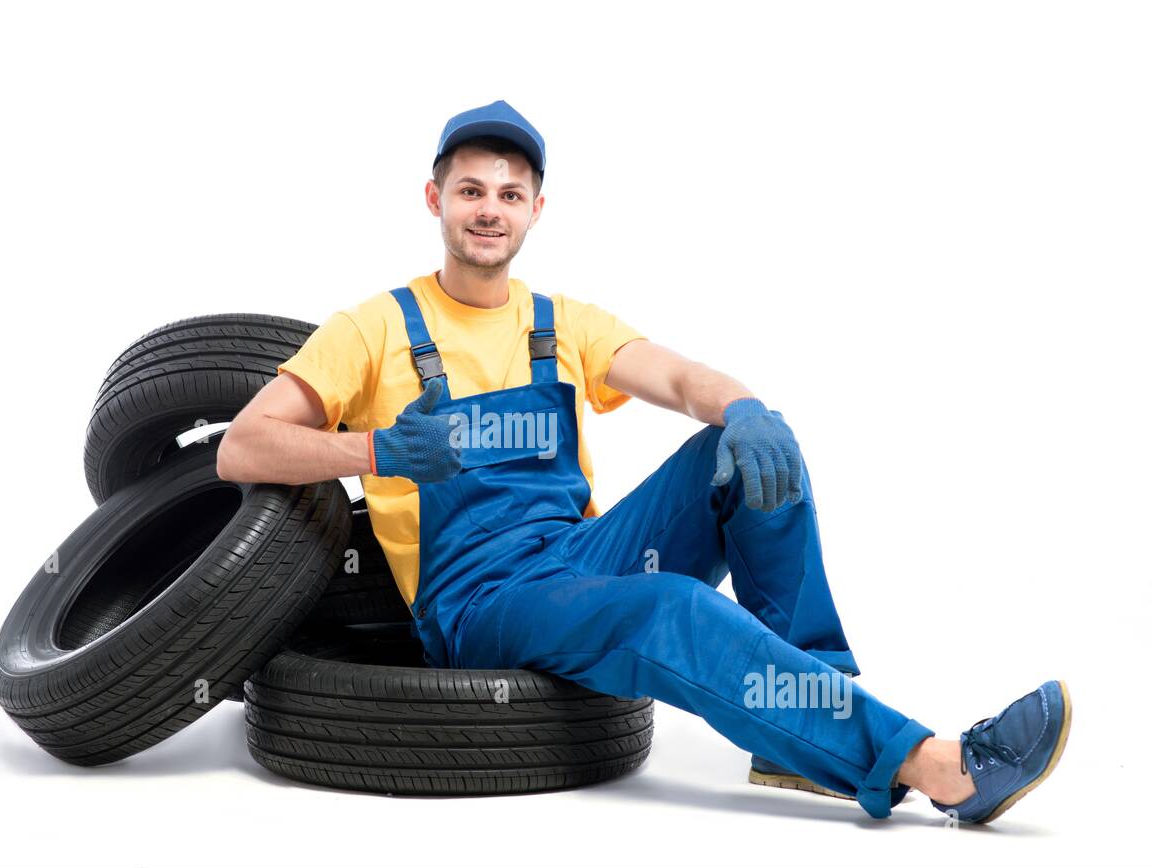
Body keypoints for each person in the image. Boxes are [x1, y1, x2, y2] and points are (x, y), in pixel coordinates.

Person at [217, 99, 1071, 823]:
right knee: (670, 607)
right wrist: (372, 447)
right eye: (471, 190)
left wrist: (743, 406)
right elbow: (241, 445)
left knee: (741, 455)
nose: (489, 209)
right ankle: (933, 764)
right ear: (434, 198)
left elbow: (678, 375)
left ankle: (813, 716)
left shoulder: (558, 322)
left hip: (576, 560)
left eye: (509, 194)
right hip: (480, 602)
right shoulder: (372, 329)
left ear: (536, 210)